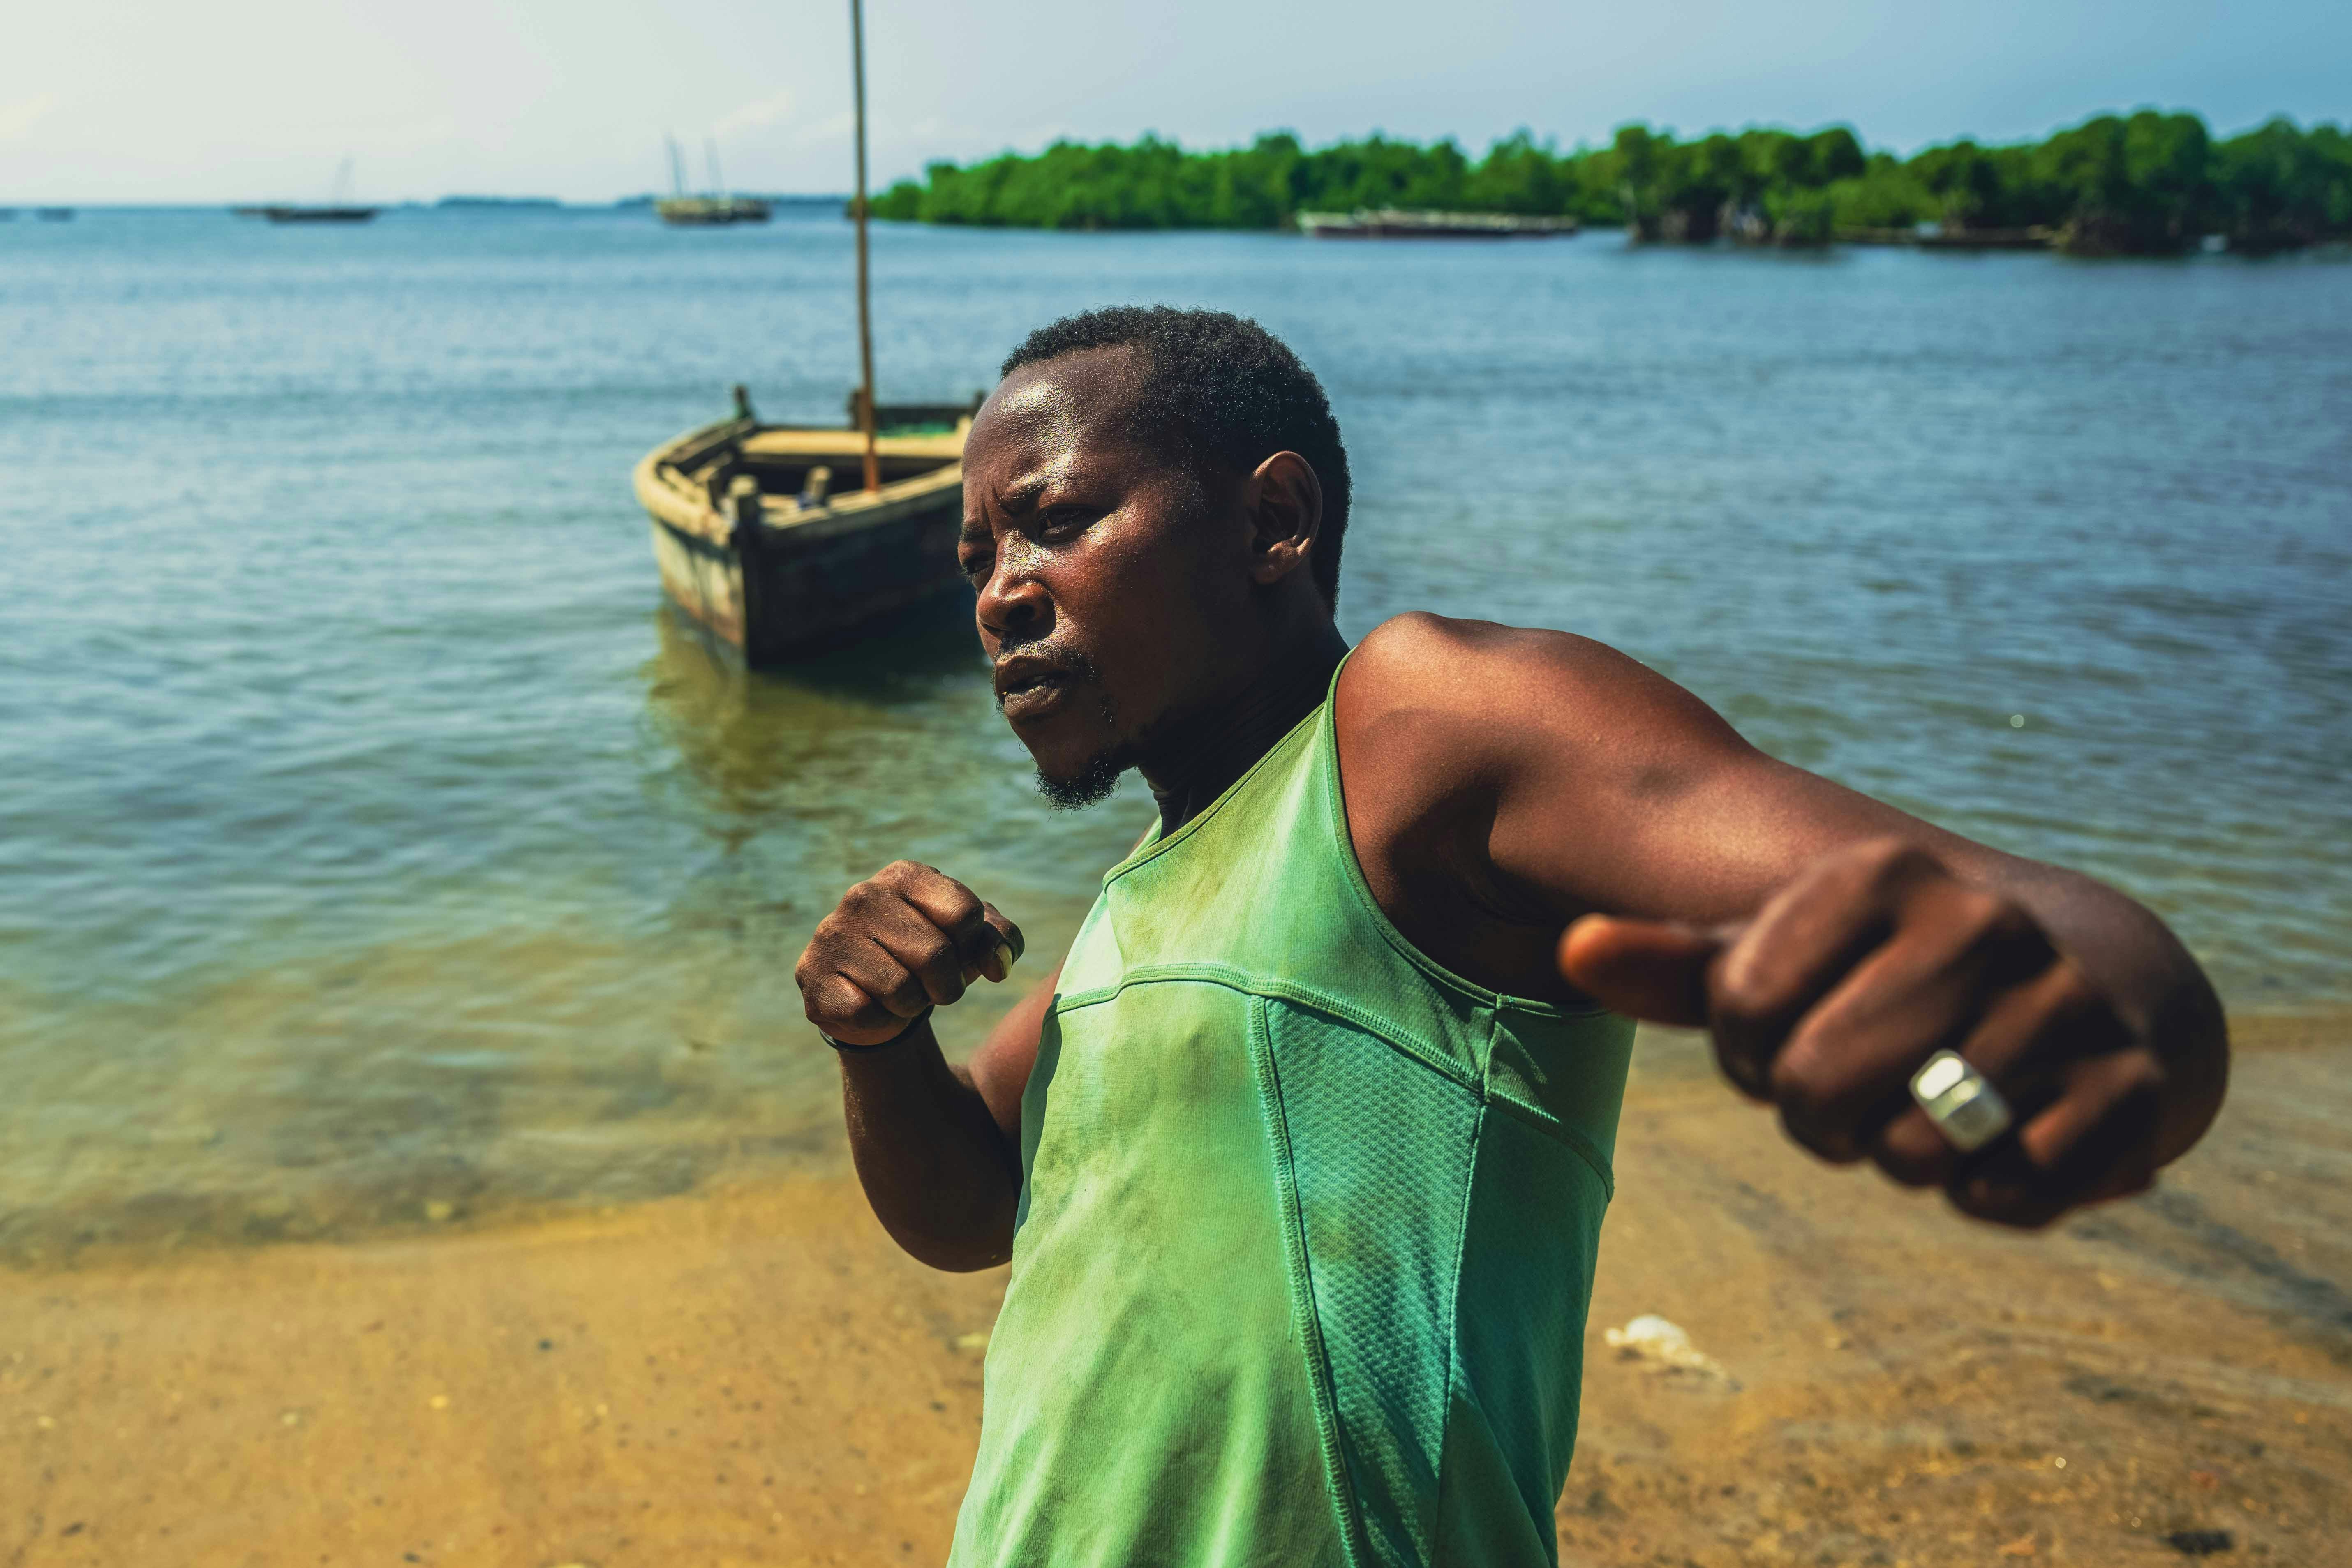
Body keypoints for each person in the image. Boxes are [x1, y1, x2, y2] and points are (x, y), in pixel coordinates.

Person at [794, 306, 2227, 1568]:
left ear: (1268, 524)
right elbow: (974, 1205)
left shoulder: (1416, 733)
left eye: (1055, 520)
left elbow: (2096, 962)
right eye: (975, 554)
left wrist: (2063, 1016)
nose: (996, 591)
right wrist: (875, 1037)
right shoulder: (1138, 899)